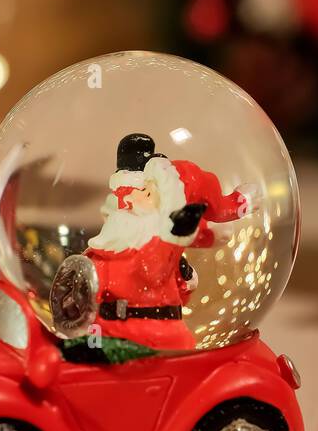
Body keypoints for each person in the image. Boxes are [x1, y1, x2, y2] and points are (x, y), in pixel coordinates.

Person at [85, 133, 249, 350]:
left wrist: (184, 277)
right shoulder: (104, 257)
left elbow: (173, 288)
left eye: (145, 193)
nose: (129, 203)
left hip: (169, 335)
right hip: (115, 336)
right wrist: (91, 345)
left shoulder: (161, 245)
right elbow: (86, 300)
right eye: (123, 196)